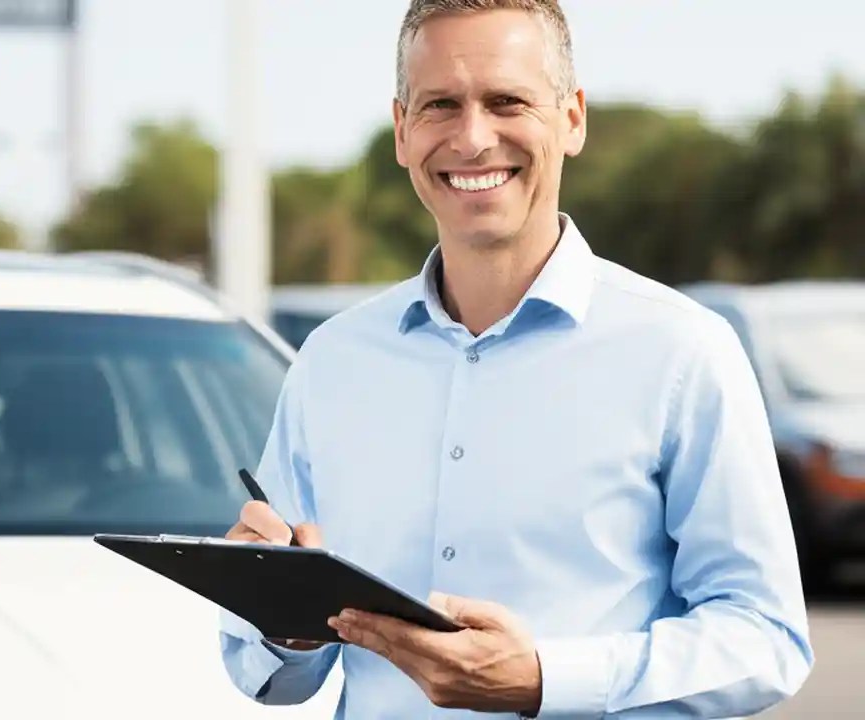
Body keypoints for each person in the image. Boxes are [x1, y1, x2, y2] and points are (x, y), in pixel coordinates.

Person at [218, 1, 814, 718]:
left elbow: (765, 637)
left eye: (507, 101)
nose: (472, 138)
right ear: (403, 130)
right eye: (441, 105)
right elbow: (275, 677)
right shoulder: (333, 362)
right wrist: (282, 618)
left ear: (572, 118)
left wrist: (545, 677)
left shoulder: (683, 351)